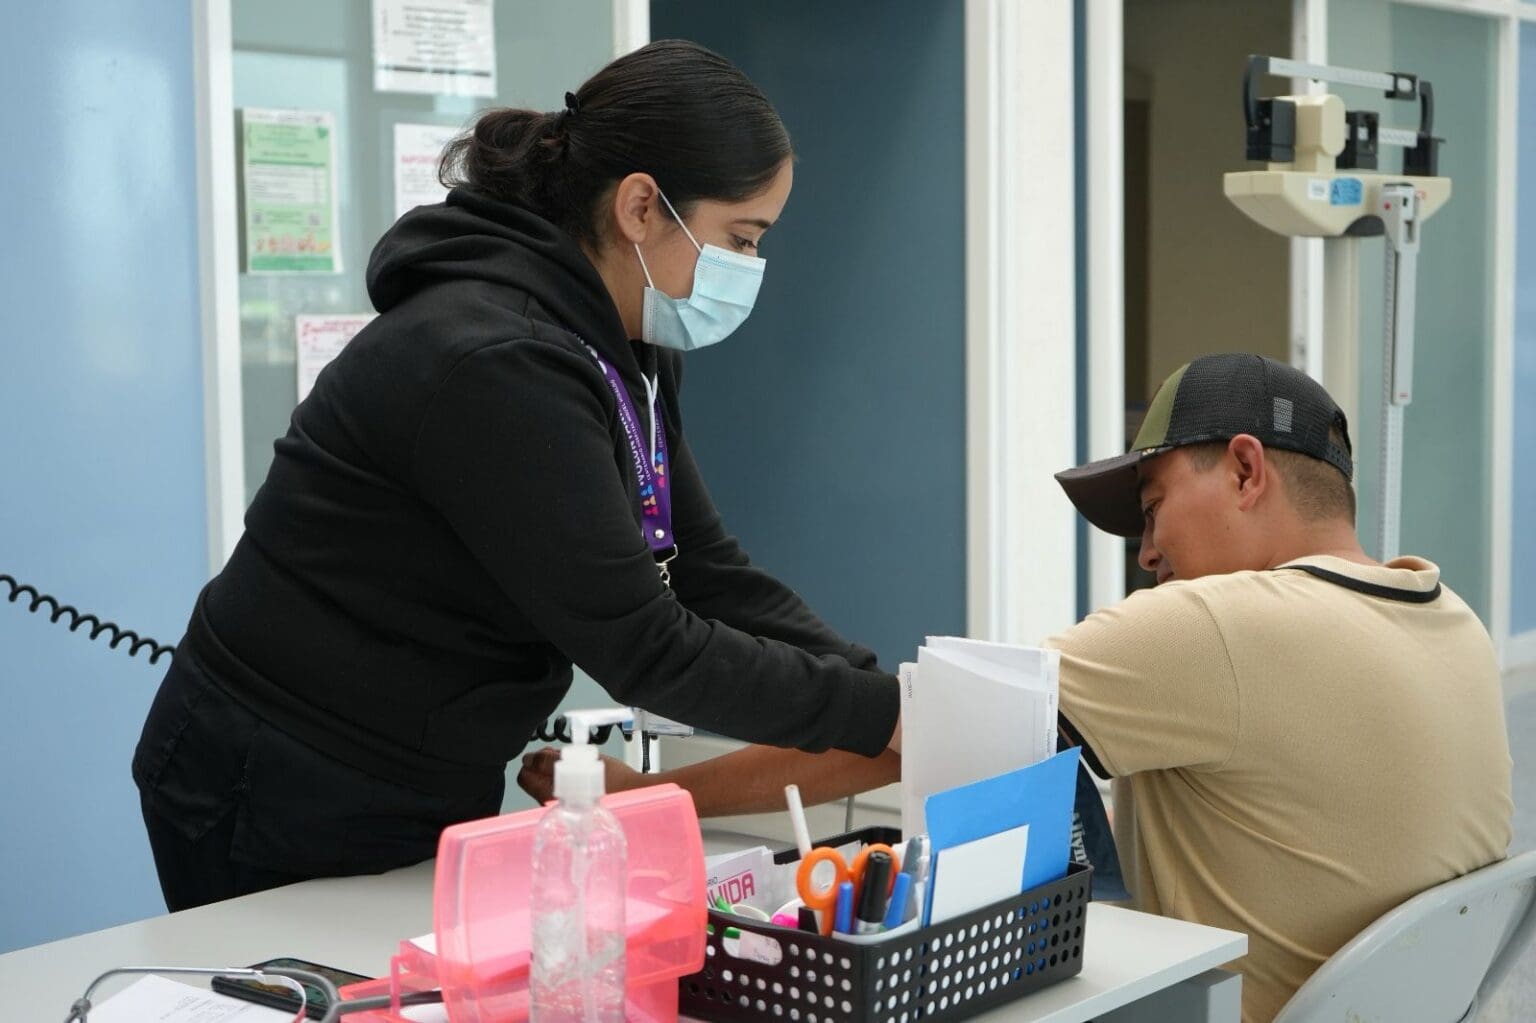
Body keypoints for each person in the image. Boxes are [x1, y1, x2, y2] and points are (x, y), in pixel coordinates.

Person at [132, 39, 900, 913]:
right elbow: (644, 646)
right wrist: (872, 714)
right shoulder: (495, 361)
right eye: (741, 238)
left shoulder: (627, 343)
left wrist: (878, 684)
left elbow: (701, 563)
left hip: (419, 758)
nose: (752, 269)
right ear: (642, 207)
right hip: (280, 770)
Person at [530, 353, 1513, 1023]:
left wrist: (646, 798)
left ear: (1246, 469)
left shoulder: (1225, 626)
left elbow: (905, 734)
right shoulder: (1446, 617)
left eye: (1156, 505)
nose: (1152, 553)